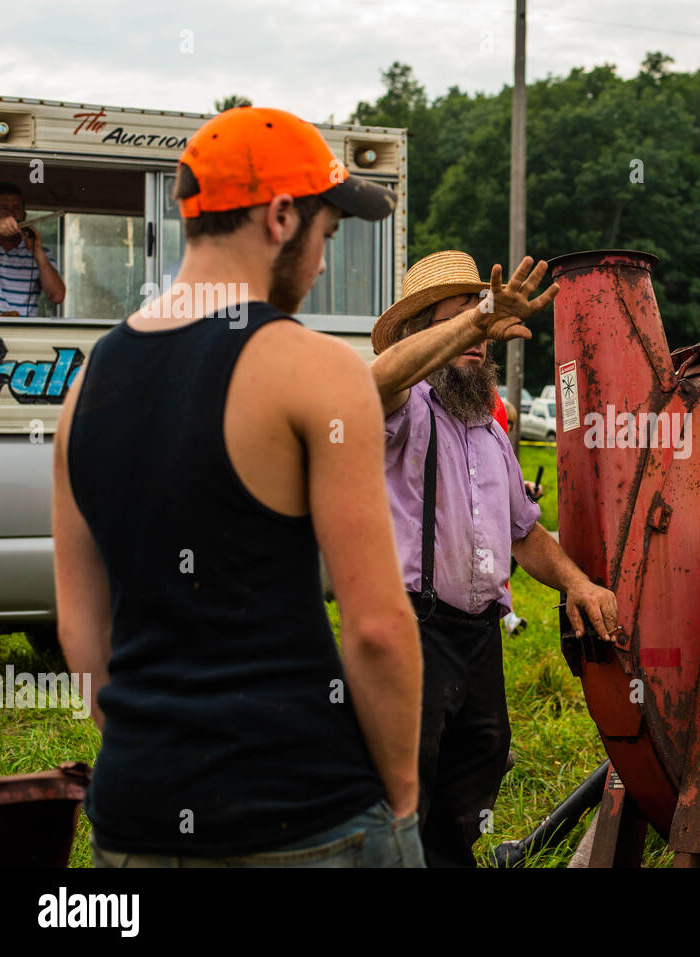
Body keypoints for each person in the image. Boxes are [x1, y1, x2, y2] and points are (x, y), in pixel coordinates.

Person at [52, 106, 425, 867]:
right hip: (306, 816)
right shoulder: (318, 372)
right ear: (282, 216)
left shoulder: (84, 386)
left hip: (130, 823)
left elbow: (82, 634)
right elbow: (378, 627)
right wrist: (402, 794)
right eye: (326, 234)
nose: (323, 263)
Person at [370, 249, 620, 867]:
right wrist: (479, 317)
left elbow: (524, 532)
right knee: (403, 790)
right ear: (421, 331)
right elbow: (375, 379)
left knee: (477, 766)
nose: (481, 339)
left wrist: (578, 584)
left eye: (485, 326)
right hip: (411, 629)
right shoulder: (401, 408)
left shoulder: (488, 428)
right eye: (464, 322)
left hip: (478, 636)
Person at [0, 182, 65, 315]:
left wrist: (38, 253)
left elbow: (57, 296)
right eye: (4, 209)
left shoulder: (39, 251)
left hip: (22, 333)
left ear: (24, 215)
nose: (11, 215)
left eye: (16, 208)